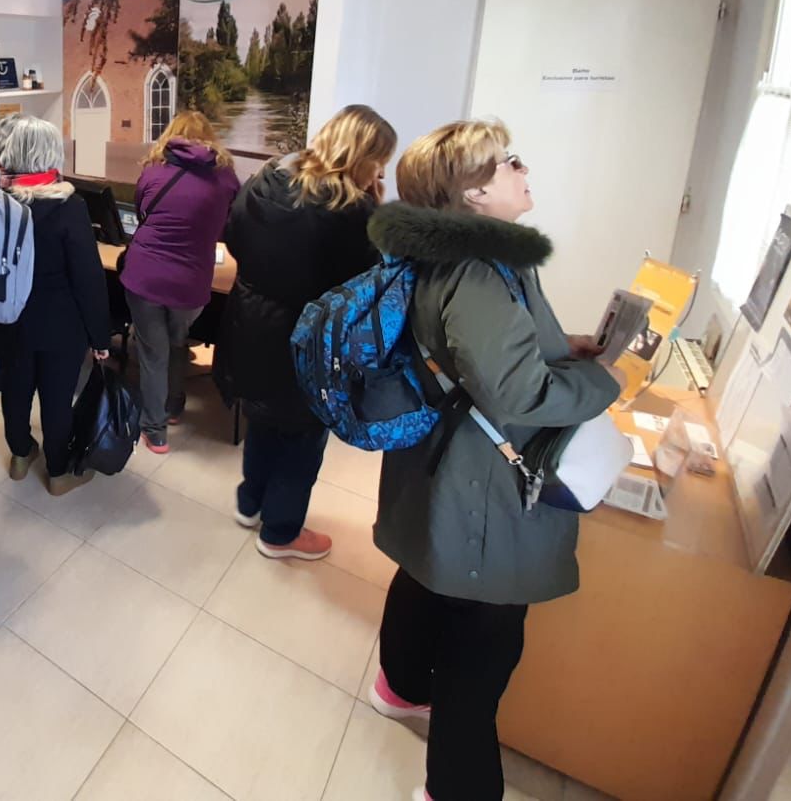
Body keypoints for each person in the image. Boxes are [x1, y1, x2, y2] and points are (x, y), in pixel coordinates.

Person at [363, 121, 621, 801]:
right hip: (478, 474)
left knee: (425, 571)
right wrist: (606, 382)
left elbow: (492, 350)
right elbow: (519, 390)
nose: (521, 167)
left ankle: (400, 686)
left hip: (447, 458)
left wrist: (564, 345)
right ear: (473, 193)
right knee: (487, 638)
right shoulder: (477, 271)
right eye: (507, 161)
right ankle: (457, 788)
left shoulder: (473, 259)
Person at [216, 105, 397, 561]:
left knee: (263, 418)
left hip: (250, 323)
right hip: (308, 341)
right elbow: (369, 282)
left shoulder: (266, 180)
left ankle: (250, 503)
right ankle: (279, 533)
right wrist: (376, 209)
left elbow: (233, 238)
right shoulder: (352, 213)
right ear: (365, 157)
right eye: (381, 161)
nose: (382, 171)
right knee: (302, 437)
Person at [0, 115, 112, 495]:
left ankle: (22, 454)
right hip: (62, 324)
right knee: (58, 398)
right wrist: (100, 335)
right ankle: (59, 473)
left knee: (15, 389)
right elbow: (88, 278)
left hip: (9, 319)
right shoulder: (69, 208)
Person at [120, 109, 240, 453]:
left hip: (146, 276)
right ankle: (173, 406)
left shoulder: (155, 170)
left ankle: (155, 431)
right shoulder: (226, 177)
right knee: (177, 342)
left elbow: (142, 212)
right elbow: (227, 222)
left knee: (152, 352)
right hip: (191, 282)